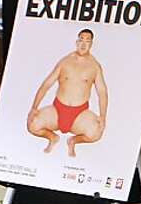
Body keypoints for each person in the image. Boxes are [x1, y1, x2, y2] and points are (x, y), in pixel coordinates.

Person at [27, 28, 108, 157]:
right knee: (32, 124)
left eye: (87, 41)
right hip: (57, 110)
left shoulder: (95, 66)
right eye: (81, 40)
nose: (83, 44)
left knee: (97, 133)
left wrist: (102, 116)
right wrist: (34, 107)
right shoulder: (65, 62)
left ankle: (73, 141)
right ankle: (52, 137)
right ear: (77, 42)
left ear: (91, 44)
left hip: (80, 114)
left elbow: (102, 92)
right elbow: (46, 84)